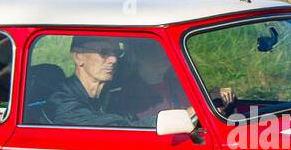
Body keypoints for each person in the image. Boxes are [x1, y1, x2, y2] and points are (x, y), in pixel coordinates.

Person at [43, 36, 197, 128]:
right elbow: (119, 128)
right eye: (104, 52)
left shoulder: (107, 93)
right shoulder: (63, 104)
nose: (113, 60)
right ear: (78, 56)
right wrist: (181, 116)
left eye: (117, 53)